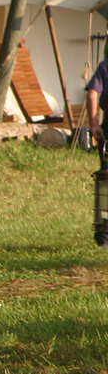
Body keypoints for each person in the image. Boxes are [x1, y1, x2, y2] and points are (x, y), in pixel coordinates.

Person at [84, 59, 108, 246]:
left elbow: (92, 94)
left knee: (106, 182)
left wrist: (93, 123)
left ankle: (104, 236)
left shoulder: (105, 66)